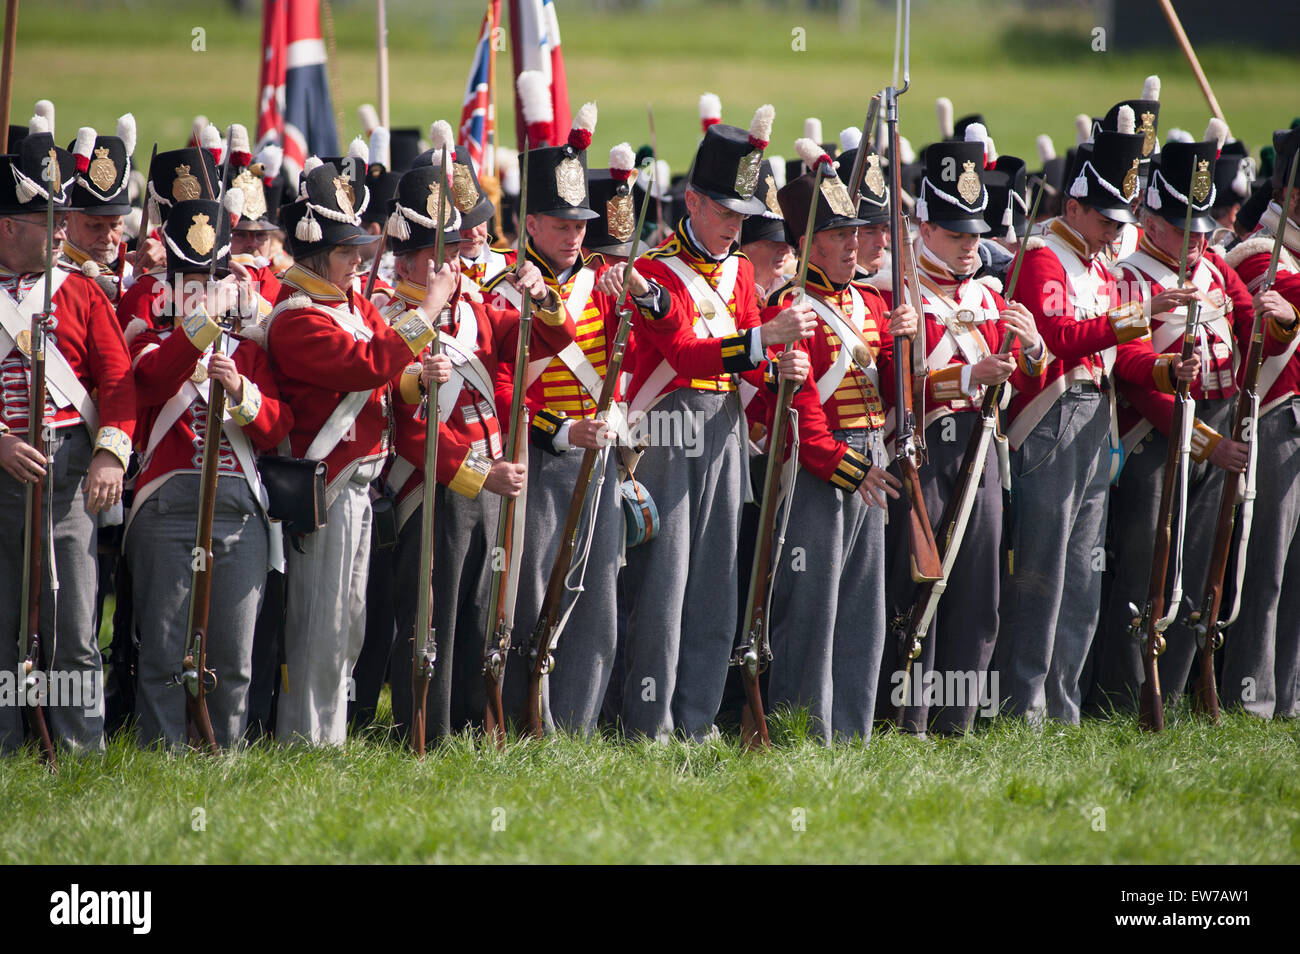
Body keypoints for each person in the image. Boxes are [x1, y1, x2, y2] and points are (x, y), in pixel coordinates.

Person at [618, 105, 814, 740]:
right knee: (665, 584)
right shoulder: (654, 272)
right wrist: (764, 343)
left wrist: (780, 369)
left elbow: (744, 363)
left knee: (714, 583)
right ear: (694, 202)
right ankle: (650, 722)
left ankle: (697, 720)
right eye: (726, 212)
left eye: (742, 215)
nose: (735, 227)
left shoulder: (736, 272)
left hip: (724, 430)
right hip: (669, 433)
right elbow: (684, 353)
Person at [377, 155, 570, 744]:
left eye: (454, 254)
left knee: (482, 613)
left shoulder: (476, 308)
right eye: (439, 255)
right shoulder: (393, 316)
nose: (452, 264)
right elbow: (407, 426)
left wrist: (541, 292)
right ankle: (426, 732)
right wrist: (481, 472)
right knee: (434, 617)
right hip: (436, 484)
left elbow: (548, 338)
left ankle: (471, 724)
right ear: (409, 259)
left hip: (487, 482)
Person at [264, 159, 438, 745]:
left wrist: (421, 381)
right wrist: (429, 312)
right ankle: (306, 740)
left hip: (362, 482)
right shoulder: (295, 319)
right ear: (316, 256)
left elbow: (387, 381)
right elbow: (364, 365)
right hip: (326, 483)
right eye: (346, 253)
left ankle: (330, 733)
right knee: (320, 619)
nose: (359, 262)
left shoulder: (350, 305)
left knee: (351, 620)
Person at [879, 138, 1045, 735]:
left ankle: (958, 720)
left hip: (982, 452)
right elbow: (890, 390)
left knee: (977, 593)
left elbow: (1026, 381)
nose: (970, 246)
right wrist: (964, 377)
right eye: (955, 234)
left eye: (974, 233)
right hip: (923, 451)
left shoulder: (994, 296)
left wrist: (1031, 352)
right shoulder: (894, 294)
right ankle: (906, 716)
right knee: (918, 588)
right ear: (924, 225)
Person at [1090, 128, 1255, 713]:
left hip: (1215, 426)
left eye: (1202, 230)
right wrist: (1204, 441)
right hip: (1158, 436)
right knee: (1147, 574)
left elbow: (1250, 316)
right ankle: (1119, 697)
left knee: (1205, 569)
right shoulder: (1128, 275)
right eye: (1184, 227)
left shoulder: (1211, 266)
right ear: (1150, 220)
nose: (1195, 242)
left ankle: (1180, 689)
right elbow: (1131, 372)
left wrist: (1279, 319)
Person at [995, 107, 1149, 726]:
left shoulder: (1095, 261)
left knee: (1083, 575)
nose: (1116, 233)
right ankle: (1023, 706)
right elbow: (1057, 336)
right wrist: (1121, 322)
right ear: (1078, 203)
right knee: (1042, 570)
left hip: (1095, 418)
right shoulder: (1042, 256)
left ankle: (1064, 707)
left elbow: (1111, 348)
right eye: (1108, 218)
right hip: (1051, 418)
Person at [123, 198, 291, 748]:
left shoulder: (246, 349)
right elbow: (148, 380)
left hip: (238, 503)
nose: (205, 286)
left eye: (214, 275)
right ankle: (162, 755)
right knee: (166, 653)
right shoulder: (150, 331)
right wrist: (199, 328)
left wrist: (242, 391)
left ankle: (223, 755)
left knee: (232, 654)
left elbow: (275, 426)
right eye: (192, 278)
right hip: (168, 501)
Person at [483, 119, 631, 735]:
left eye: (580, 227)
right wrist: (563, 431)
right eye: (562, 225)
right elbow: (501, 392)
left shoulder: (605, 282)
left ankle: (577, 723)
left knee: (595, 597)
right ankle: (522, 719)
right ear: (531, 226)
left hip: (598, 454)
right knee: (528, 595)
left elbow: (629, 361)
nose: (574, 237)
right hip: (538, 453)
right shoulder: (503, 289)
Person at [762, 151, 915, 742]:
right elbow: (798, 411)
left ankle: (850, 731)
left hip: (870, 456)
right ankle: (805, 729)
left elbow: (899, 398)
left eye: (855, 232)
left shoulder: (873, 305)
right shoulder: (789, 309)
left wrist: (905, 348)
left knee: (861, 610)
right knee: (813, 608)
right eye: (838, 234)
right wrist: (841, 465)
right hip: (820, 468)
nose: (855, 244)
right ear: (807, 243)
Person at [0, 121, 134, 753]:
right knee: (6, 622)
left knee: (75, 622)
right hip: (3, 472)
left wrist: (109, 452)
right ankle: (11, 738)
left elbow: (119, 381)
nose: (62, 232)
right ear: (8, 225)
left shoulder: (79, 292)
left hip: (69, 473)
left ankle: (79, 745)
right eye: (48, 221)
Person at [1220, 126, 1300, 718]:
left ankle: (1291, 696)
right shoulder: (1258, 252)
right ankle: (1252, 696)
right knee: (1265, 569)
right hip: (1273, 418)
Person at [63, 115, 137, 305]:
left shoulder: (132, 273)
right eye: (95, 226)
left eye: (115, 224)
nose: (107, 237)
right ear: (67, 218)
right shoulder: (55, 278)